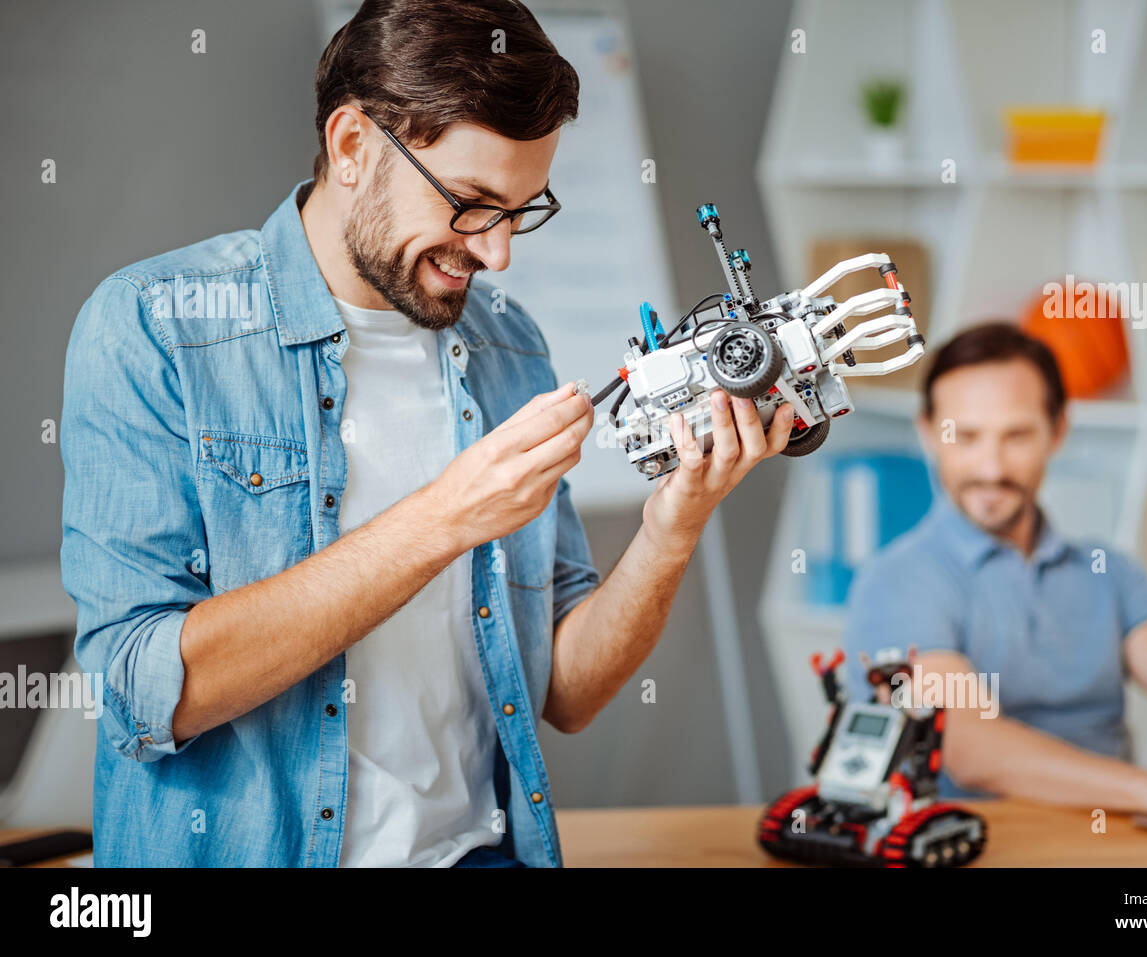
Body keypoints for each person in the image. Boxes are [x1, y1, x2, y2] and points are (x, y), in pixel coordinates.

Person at [59, 0, 795, 868]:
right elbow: (142, 691)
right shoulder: (155, 327)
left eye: (521, 212)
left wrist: (672, 529)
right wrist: (444, 516)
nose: (498, 256)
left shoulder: (507, 343)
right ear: (352, 146)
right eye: (472, 204)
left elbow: (565, 690)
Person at [845, 322, 1147, 825]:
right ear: (929, 432)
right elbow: (969, 745)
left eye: (1016, 435)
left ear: (1057, 430)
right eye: (967, 437)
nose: (991, 467)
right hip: (979, 847)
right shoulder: (897, 581)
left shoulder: (1108, 571)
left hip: (1116, 840)